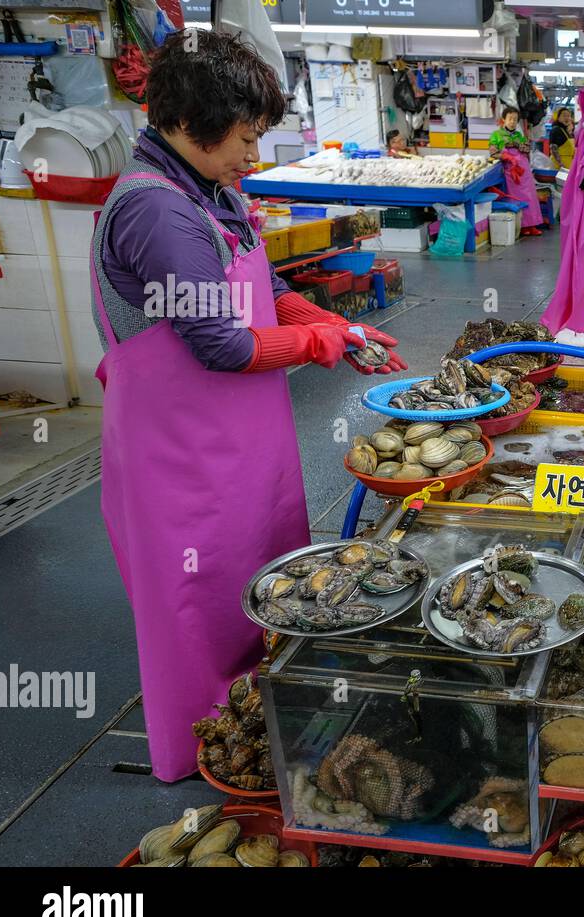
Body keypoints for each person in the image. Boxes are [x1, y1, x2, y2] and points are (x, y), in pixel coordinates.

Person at [88, 30, 406, 782]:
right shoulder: (156, 212)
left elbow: (268, 291)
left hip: (242, 442)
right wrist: (321, 348)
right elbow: (223, 344)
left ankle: (272, 711)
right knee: (197, 600)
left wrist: (332, 323)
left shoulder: (212, 189)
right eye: (243, 137)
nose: (252, 154)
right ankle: (207, 748)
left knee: (263, 577)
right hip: (182, 452)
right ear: (191, 121)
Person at [488, 106, 545, 237]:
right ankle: (523, 226)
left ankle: (533, 225)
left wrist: (518, 145)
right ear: (504, 120)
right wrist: (506, 156)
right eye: (510, 119)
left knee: (530, 196)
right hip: (510, 171)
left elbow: (527, 149)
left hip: (523, 170)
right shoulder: (496, 135)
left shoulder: (520, 135)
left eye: (515, 119)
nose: (513, 122)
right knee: (517, 198)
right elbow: (493, 153)